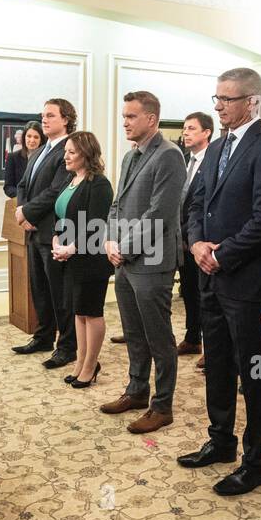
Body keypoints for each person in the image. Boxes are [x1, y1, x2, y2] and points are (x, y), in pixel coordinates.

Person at [177, 70, 261, 497]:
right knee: (218, 365)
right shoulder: (218, 146)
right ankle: (220, 440)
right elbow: (196, 203)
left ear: (253, 102)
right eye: (216, 98)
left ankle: (255, 461)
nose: (219, 106)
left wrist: (221, 254)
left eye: (228, 99)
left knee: (253, 372)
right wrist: (195, 245)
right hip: (209, 278)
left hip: (246, 282)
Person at [99, 91, 186, 434]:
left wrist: (126, 247)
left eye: (131, 117)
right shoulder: (129, 156)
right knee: (134, 334)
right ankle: (136, 391)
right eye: (123, 117)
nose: (125, 123)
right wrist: (107, 240)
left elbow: (161, 214)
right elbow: (117, 205)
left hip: (152, 262)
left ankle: (162, 406)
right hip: (124, 260)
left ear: (151, 119)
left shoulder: (169, 156)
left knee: (158, 338)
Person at [13, 100, 77, 369]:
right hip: (32, 231)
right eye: (43, 115)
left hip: (54, 231)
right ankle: (43, 336)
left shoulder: (70, 149)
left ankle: (67, 347)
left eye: (50, 115)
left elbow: (57, 189)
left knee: (59, 292)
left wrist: (28, 211)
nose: (44, 120)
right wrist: (21, 209)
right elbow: (22, 184)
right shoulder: (39, 150)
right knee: (39, 288)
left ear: (66, 119)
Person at [51, 132, 114, 388]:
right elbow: (61, 213)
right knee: (78, 313)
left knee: (91, 312)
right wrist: (57, 239)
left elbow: (96, 225)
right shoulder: (71, 179)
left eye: (71, 152)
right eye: (66, 151)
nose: (65, 156)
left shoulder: (98, 184)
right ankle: (80, 362)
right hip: (71, 257)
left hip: (92, 258)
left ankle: (90, 365)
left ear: (86, 155)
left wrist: (72, 248)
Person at [177, 112, 213, 357]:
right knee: (189, 290)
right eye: (184, 128)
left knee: (206, 297)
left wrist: (194, 239)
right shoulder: (183, 161)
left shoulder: (213, 160)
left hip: (202, 239)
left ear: (206, 132)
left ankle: (211, 349)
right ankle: (192, 338)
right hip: (182, 239)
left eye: (191, 128)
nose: (185, 133)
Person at [4, 123, 45, 199]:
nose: (32, 140)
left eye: (36, 137)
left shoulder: (47, 158)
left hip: (41, 204)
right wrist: (24, 197)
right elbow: (8, 187)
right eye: (29, 136)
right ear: (24, 137)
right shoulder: (12, 157)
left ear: (41, 140)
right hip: (19, 204)